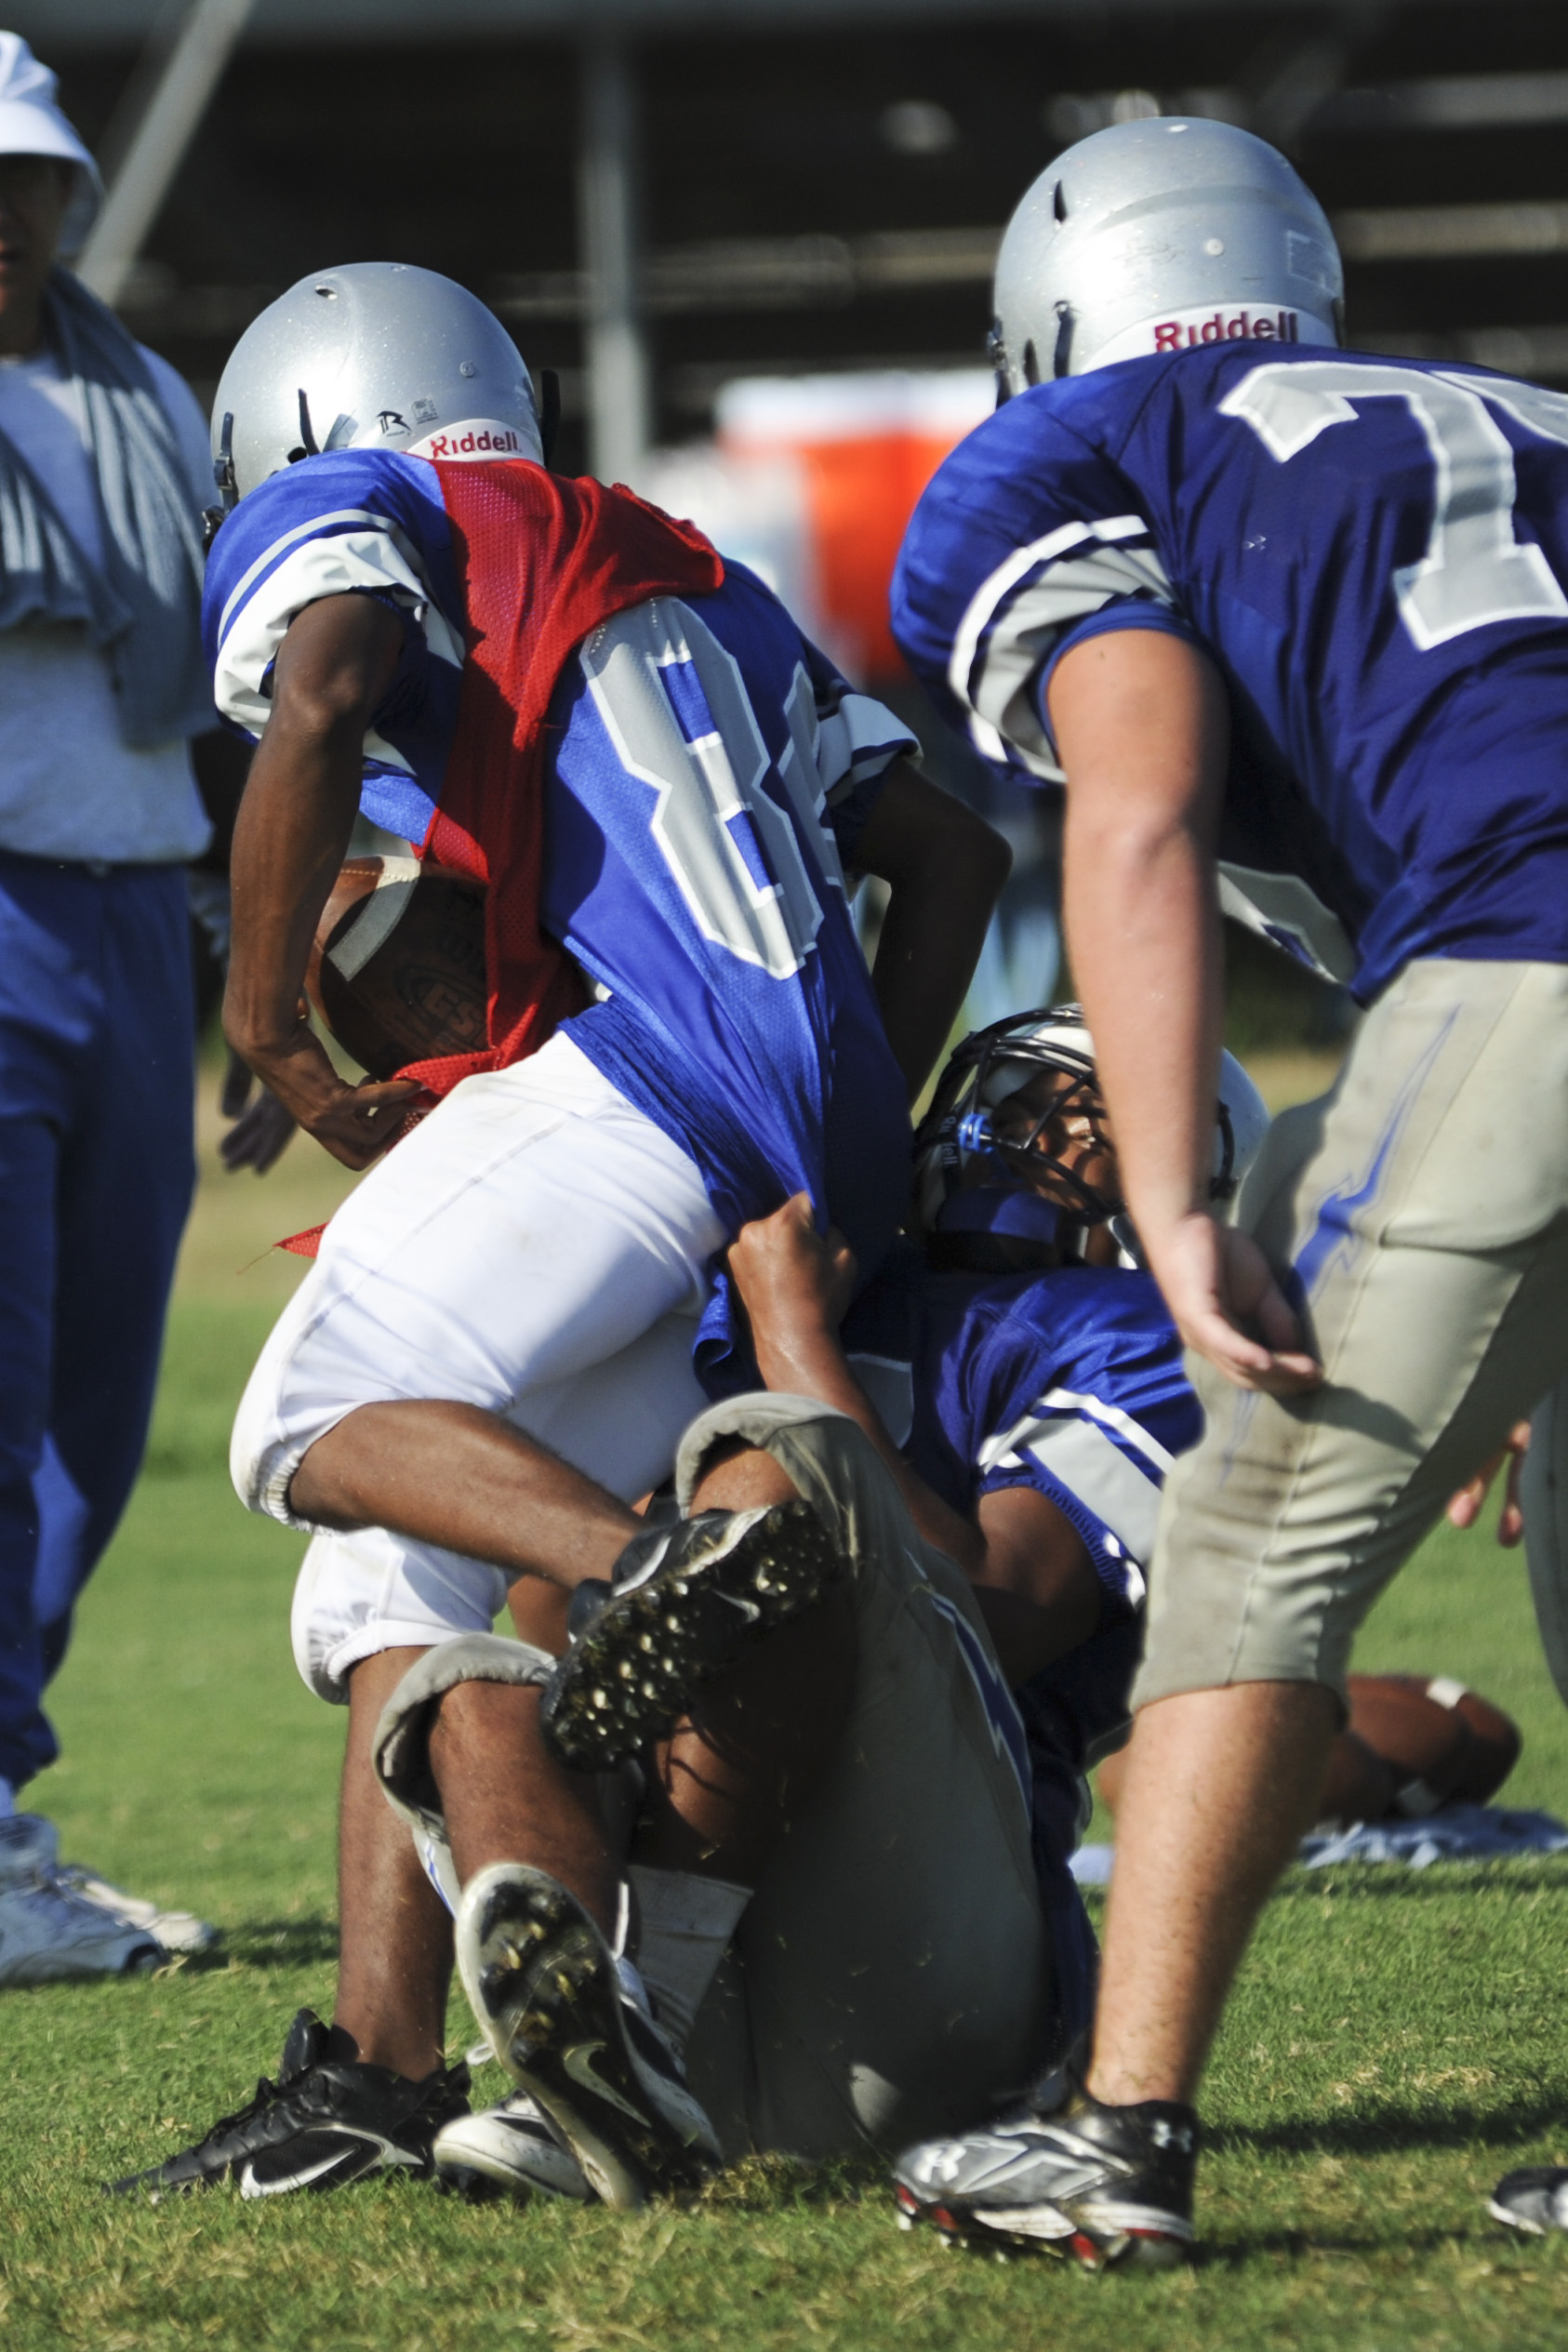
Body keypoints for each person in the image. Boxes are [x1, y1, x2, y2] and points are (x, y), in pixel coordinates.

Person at [114, 255, 1007, 2187]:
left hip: (663, 1082)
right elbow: (952, 850)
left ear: (296, 424)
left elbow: (328, 688)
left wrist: (265, 1013)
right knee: (384, 1576)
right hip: (808, 1127)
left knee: (304, 1410)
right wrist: (842, 1117)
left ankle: (633, 1577)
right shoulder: (684, 564)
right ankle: (462, 2058)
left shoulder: (370, 503)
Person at [892, 111, 1568, 2263]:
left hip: (1527, 949)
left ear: (1054, 321)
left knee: (1249, 1529)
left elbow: (1144, 801)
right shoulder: (1521, 411)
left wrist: (1183, 1208)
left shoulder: (1086, 447)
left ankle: (1119, 2139)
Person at [0, 33, 286, 1985]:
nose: (12, 212)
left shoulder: (137, 394)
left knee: (91, 1414)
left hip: (126, 922)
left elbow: (230, 690)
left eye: (33, 178)